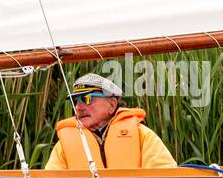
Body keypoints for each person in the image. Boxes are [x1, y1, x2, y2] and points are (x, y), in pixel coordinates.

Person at [45, 73, 176, 170]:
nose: (78, 107)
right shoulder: (63, 146)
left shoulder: (142, 135)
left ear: (112, 105)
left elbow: (166, 174)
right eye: (75, 102)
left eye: (87, 99)